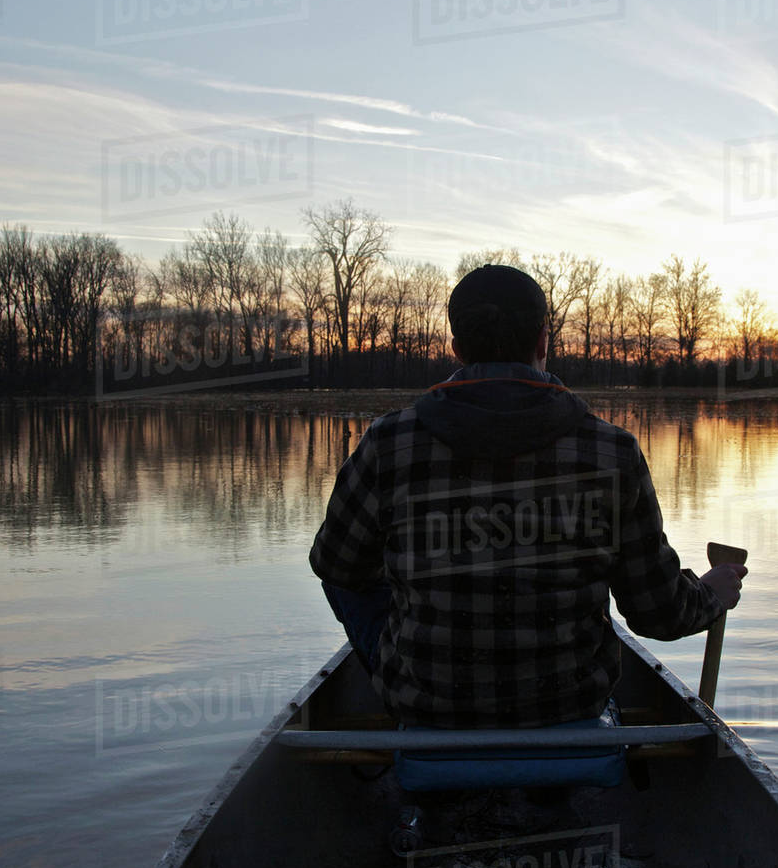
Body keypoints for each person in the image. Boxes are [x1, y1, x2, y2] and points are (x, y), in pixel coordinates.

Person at [309, 264, 746, 729]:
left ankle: (419, 692)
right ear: (543, 340)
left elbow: (336, 566)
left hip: (425, 703)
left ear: (457, 348)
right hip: (569, 703)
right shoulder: (612, 451)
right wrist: (710, 593)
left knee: (341, 571)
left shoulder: (387, 443)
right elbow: (658, 613)